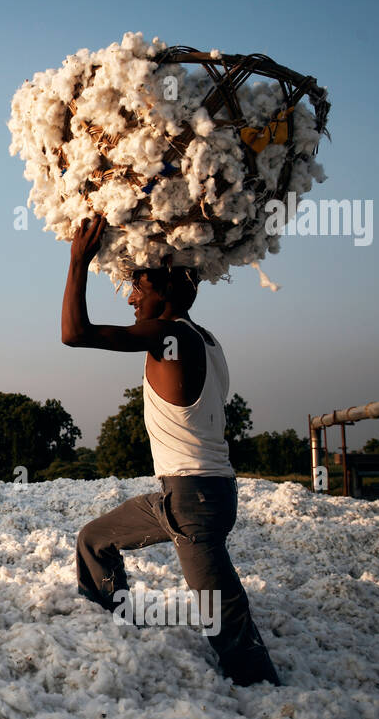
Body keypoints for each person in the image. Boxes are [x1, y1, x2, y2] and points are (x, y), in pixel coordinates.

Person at [60, 213, 281, 687]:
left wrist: (78, 262)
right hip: (188, 497)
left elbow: (75, 334)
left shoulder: (174, 336)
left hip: (194, 500)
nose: (131, 296)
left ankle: (263, 691)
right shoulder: (206, 338)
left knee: (226, 618)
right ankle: (110, 627)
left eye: (138, 284)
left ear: (171, 287)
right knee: (94, 539)